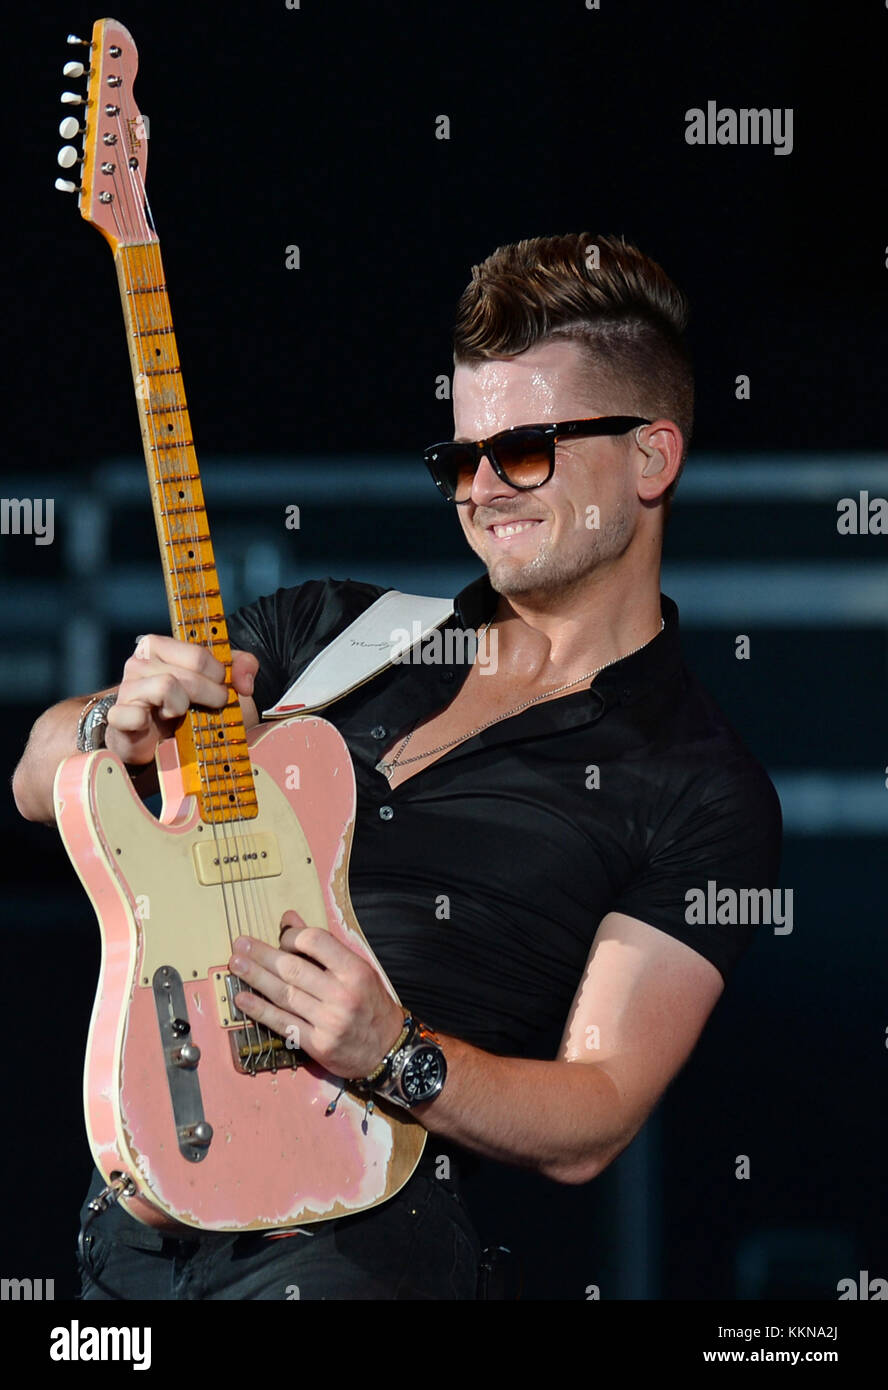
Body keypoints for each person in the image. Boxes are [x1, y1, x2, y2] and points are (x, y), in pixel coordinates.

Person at [12, 231, 782, 1300]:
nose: (482, 490)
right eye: (461, 458)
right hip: (130, 1232)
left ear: (651, 457)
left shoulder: (699, 785)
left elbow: (596, 1111)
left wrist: (395, 1050)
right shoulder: (335, 629)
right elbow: (35, 775)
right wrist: (113, 723)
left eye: (523, 451)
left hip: (362, 1245)